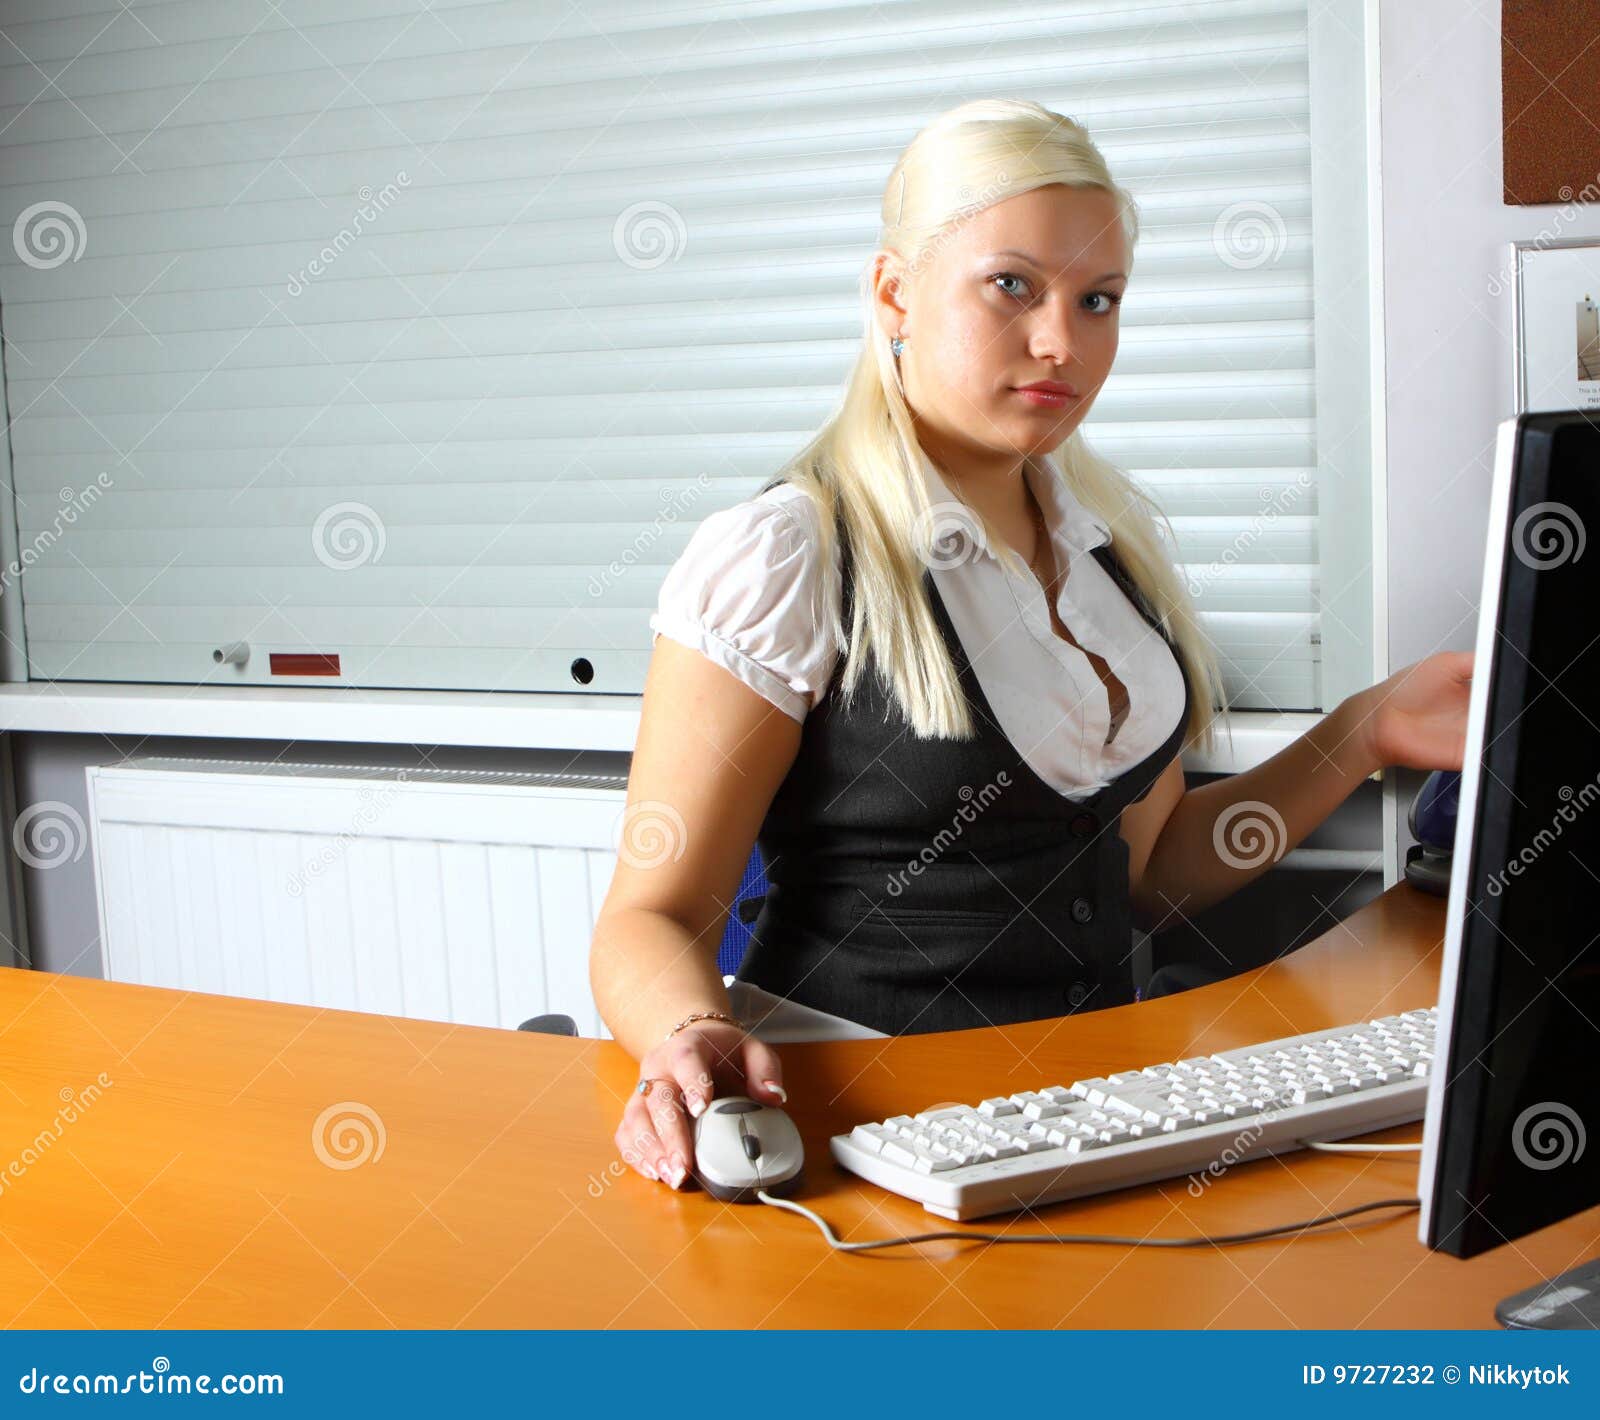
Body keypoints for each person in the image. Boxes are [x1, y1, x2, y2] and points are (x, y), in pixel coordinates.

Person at [588, 98, 1472, 1192]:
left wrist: (1366, 730)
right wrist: (682, 1030)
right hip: (852, 1126)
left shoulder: (1104, 555)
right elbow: (650, 916)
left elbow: (1155, 875)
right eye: (1011, 285)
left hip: (1080, 1110)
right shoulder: (786, 555)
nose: (1062, 340)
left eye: (1097, 300)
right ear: (894, 293)